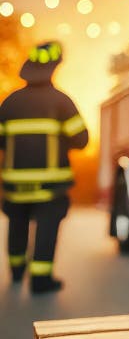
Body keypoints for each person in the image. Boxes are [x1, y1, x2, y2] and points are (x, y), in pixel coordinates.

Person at [0, 41, 88, 293]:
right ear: (53, 68)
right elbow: (82, 140)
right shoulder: (61, 102)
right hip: (51, 187)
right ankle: (41, 279)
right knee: (47, 228)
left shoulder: (10, 103)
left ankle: (16, 272)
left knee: (16, 223)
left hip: (14, 185)